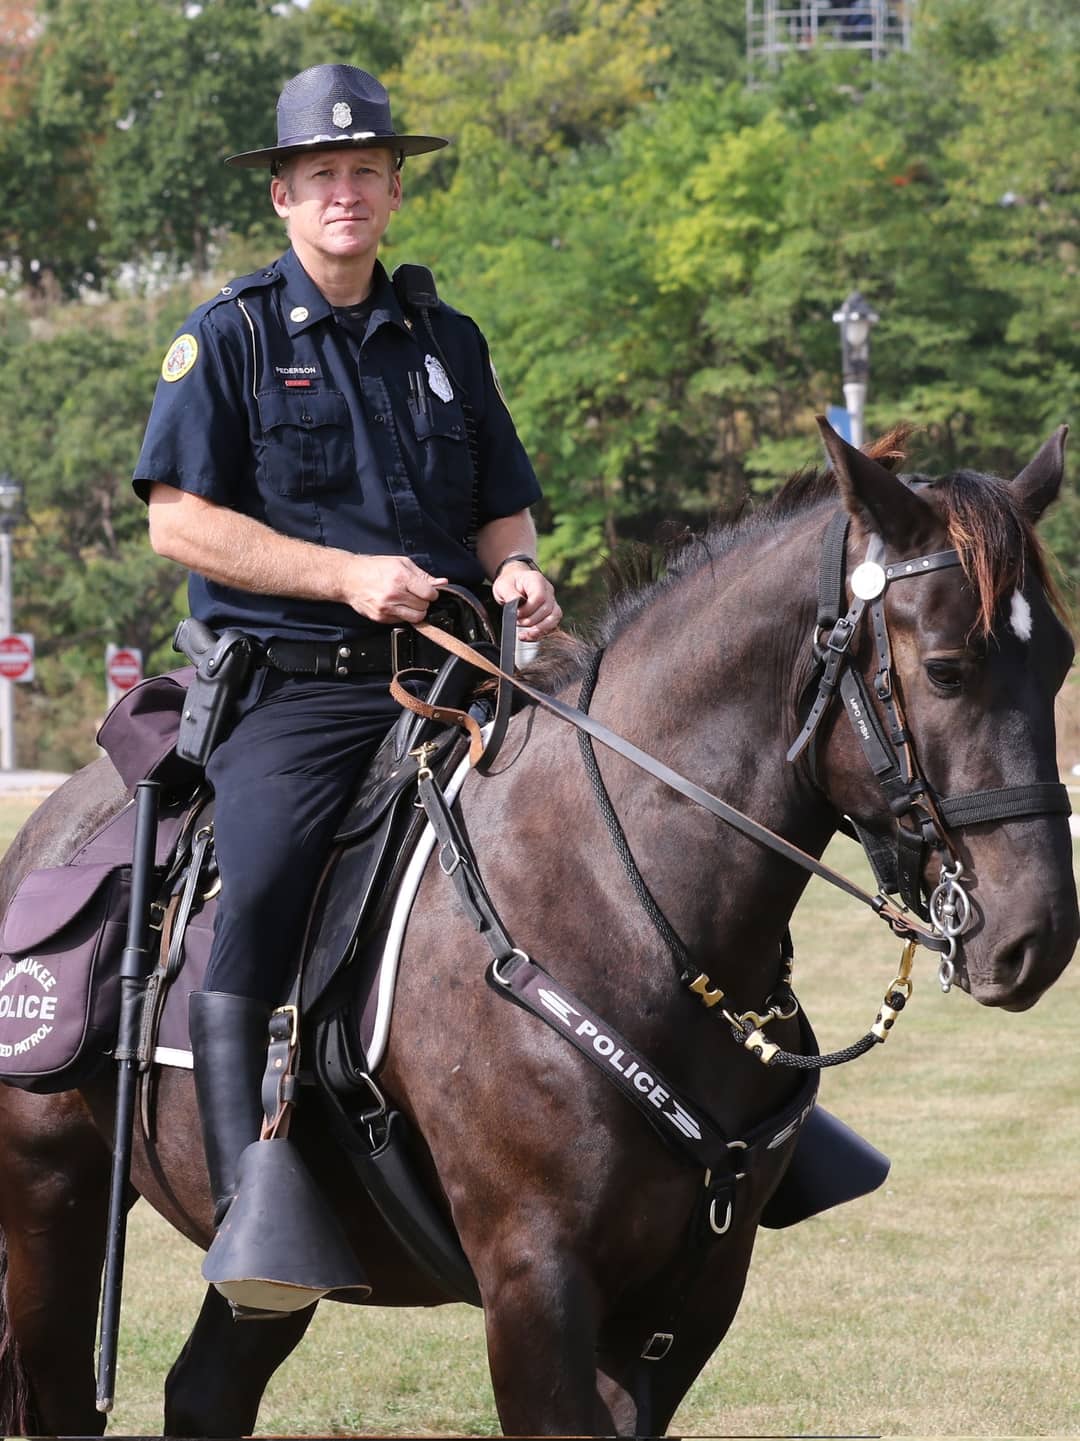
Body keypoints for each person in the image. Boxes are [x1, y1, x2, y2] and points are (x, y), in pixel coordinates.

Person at [132, 63, 561, 1252]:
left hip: (463, 675)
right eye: (320, 174)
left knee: (635, 804)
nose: (345, 193)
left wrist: (520, 569)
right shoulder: (227, 339)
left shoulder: (447, 340)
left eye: (365, 171)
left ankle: (742, 1104)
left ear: (394, 190)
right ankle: (249, 1206)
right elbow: (177, 520)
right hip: (305, 692)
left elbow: (503, 515)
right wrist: (343, 574)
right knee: (263, 882)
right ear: (281, 194)